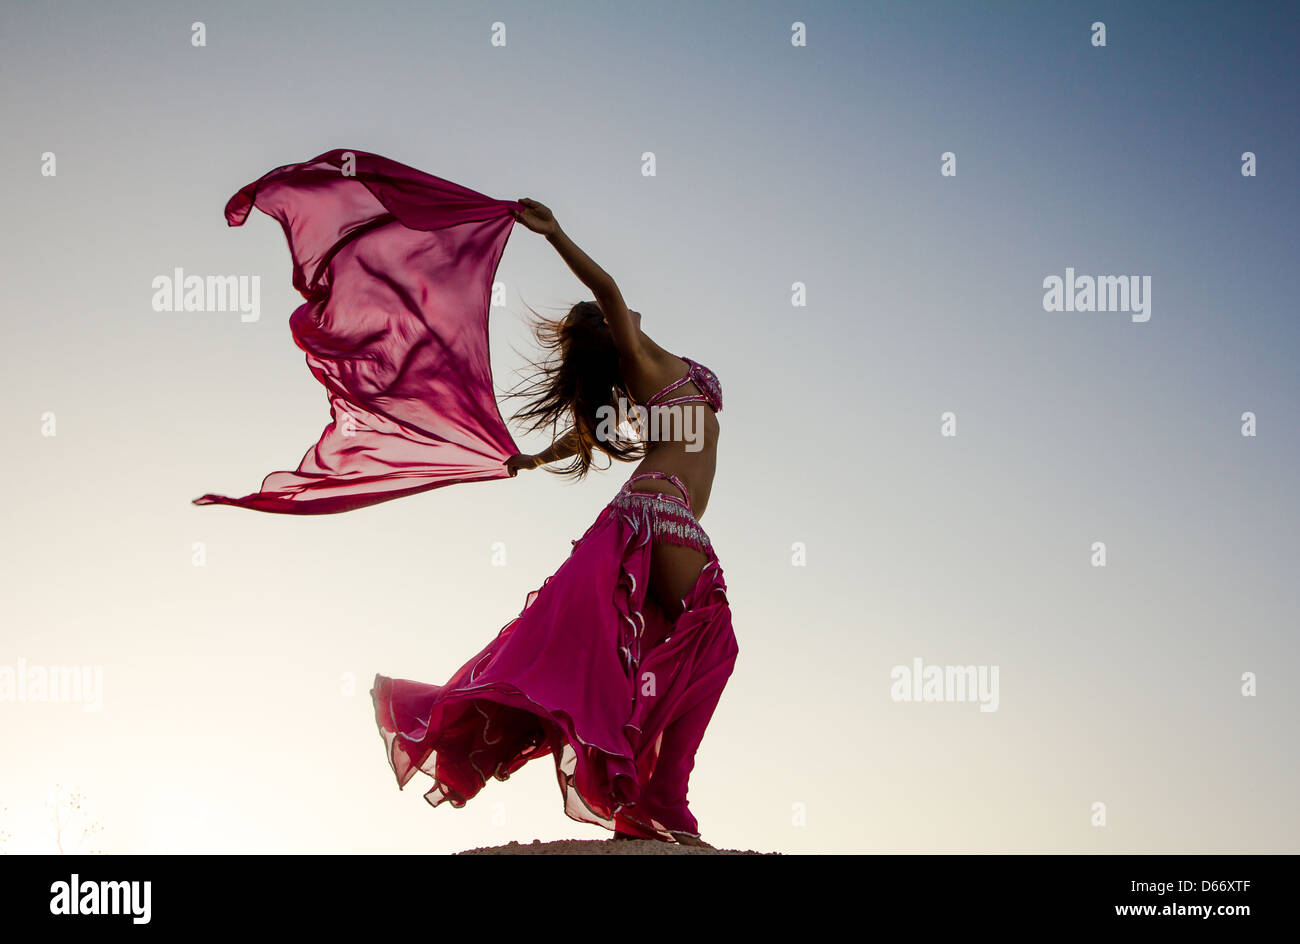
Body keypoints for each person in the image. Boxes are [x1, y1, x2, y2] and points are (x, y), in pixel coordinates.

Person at [371, 198, 738, 847]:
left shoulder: (642, 383)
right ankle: (661, 798)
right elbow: (607, 287)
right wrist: (555, 234)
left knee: (652, 660)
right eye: (619, 317)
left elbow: (587, 435)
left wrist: (535, 457)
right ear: (613, 327)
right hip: (660, 512)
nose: (631, 313)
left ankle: (647, 800)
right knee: (713, 640)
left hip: (643, 515)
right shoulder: (646, 363)